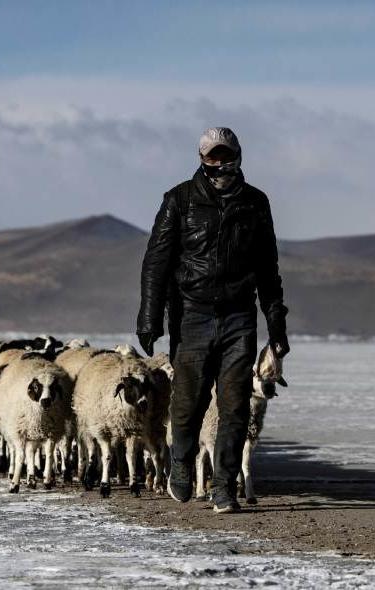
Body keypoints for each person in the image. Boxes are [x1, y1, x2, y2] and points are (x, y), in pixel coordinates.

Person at [136, 127, 289, 513]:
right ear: (202, 159)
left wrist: (277, 326)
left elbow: (268, 269)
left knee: (235, 405)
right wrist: (149, 317)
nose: (219, 163)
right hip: (192, 315)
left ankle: (224, 485)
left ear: (238, 154)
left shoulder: (256, 203)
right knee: (189, 403)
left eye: (225, 155)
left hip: (239, 316)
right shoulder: (180, 200)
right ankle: (182, 464)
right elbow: (157, 261)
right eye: (211, 156)